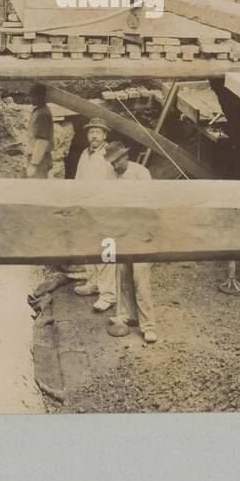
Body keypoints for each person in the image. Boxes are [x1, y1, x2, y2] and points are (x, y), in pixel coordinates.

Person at [96, 141, 159, 342]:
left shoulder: (141, 174)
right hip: (120, 232)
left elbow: (151, 206)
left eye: (117, 161)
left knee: (140, 278)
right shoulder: (110, 175)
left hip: (139, 232)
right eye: (112, 163)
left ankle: (148, 325)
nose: (115, 166)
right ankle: (127, 315)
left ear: (126, 157)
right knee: (122, 275)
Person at [71, 115, 116, 297]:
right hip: (86, 208)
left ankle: (108, 292)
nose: (94, 136)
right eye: (91, 132)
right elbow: (77, 181)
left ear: (105, 135)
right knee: (88, 247)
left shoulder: (110, 155)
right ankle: (93, 283)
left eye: (98, 132)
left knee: (106, 250)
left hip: (103, 209)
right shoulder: (84, 153)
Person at [24, 84, 54, 179]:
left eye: (33, 96)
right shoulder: (41, 110)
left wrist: (34, 164)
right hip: (39, 158)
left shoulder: (41, 114)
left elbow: (42, 141)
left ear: (41, 96)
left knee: (36, 189)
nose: (31, 99)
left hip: (39, 160)